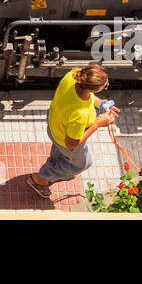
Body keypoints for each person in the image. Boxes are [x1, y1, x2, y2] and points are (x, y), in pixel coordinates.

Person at [27, 63, 116, 199]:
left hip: (55, 125)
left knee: (60, 155)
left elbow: (88, 96)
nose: (106, 85)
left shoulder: (74, 75)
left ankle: (53, 168)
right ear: (95, 89)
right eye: (105, 85)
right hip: (65, 139)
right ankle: (40, 179)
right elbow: (72, 144)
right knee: (81, 164)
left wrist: (101, 104)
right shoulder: (80, 114)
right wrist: (97, 124)